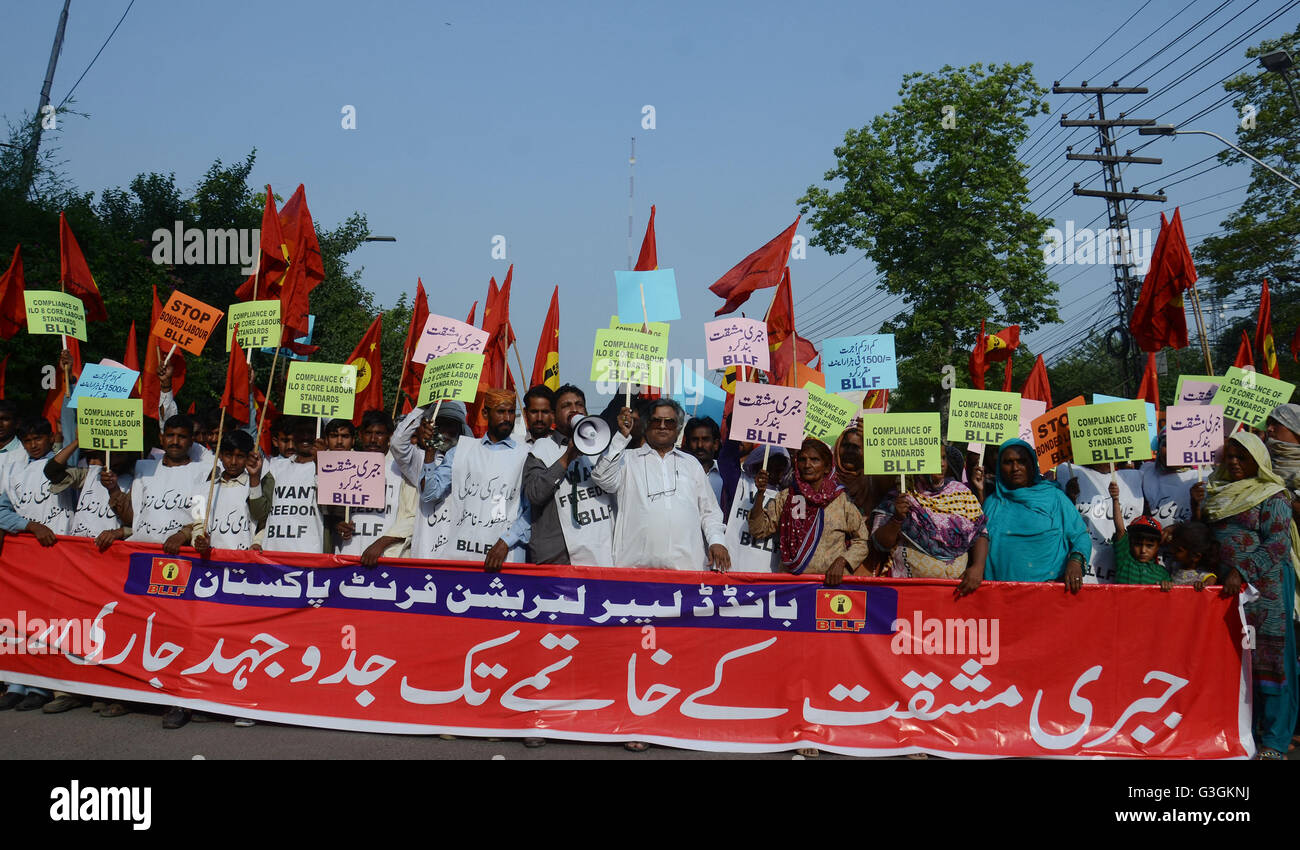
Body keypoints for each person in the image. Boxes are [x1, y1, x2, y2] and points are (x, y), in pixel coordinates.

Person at [1194, 431, 1298, 759]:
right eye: (1230, 457)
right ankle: (1243, 732)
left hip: (1265, 590)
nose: (1235, 463)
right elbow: (1206, 538)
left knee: (1270, 659)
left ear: (1259, 461)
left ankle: (1275, 740)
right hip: (1225, 590)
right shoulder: (1215, 491)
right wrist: (1195, 510)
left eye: (1243, 457)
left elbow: (1278, 542)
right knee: (1236, 661)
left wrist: (1244, 571)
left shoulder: (1273, 494)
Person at [591, 398, 729, 571]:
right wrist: (622, 436)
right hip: (636, 571)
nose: (662, 426)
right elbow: (602, 478)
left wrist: (717, 541)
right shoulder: (627, 459)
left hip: (687, 570)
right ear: (646, 425)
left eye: (669, 422)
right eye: (657, 421)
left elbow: (709, 512)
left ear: (678, 428)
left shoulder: (691, 463)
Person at [422, 388, 531, 570]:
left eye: (511, 412)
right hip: (462, 557)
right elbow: (429, 494)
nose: (507, 418)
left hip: (506, 558)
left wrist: (506, 541)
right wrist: (429, 453)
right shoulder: (462, 451)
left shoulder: (526, 454)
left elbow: (532, 511)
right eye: (501, 411)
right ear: (485, 413)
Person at [748, 437, 867, 584]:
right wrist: (760, 494)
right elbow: (758, 529)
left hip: (830, 586)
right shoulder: (787, 497)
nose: (807, 465)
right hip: (791, 586)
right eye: (803, 459)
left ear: (827, 467)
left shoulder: (841, 500)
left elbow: (861, 540)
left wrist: (843, 561)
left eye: (814, 460)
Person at [870, 446, 988, 592]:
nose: (942, 463)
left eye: (944, 457)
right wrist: (897, 519)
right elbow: (879, 543)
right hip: (909, 592)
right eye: (934, 458)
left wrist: (978, 567)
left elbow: (981, 531)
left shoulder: (962, 493)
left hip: (955, 594)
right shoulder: (902, 495)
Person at [981, 439, 1091, 591]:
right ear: (999, 467)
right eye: (1008, 462)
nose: (1015, 468)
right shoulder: (992, 503)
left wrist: (1076, 562)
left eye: (1022, 461)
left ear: (1032, 465)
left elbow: (1080, 536)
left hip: (1049, 594)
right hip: (1001, 596)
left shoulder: (1055, 497)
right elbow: (979, 541)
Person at [524, 384, 616, 566]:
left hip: (603, 555)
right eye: (566, 406)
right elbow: (534, 494)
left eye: (579, 404)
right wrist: (566, 458)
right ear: (553, 415)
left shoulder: (601, 444)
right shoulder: (541, 449)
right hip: (560, 557)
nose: (574, 409)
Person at [391, 400, 474, 559]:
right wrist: (422, 406)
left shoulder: (469, 461)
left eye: (453, 425)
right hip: (425, 552)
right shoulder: (419, 459)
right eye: (442, 424)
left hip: (458, 553)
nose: (448, 431)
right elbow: (397, 444)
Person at [334, 410, 417, 566]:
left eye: (379, 433)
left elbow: (412, 517)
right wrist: (340, 524)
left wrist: (381, 544)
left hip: (388, 556)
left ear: (390, 437)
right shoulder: (347, 465)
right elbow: (335, 510)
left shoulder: (402, 468)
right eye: (368, 433)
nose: (373, 439)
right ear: (360, 435)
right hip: (350, 555)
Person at [1057, 460, 1143, 583]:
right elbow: (1066, 523)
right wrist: (1070, 497)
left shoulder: (1134, 479)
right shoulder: (1070, 476)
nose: (1106, 460)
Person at [192, 430, 272, 552]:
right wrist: (198, 540)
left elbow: (265, 523)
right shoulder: (204, 488)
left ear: (249, 456)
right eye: (228, 455)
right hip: (212, 561)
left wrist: (257, 543)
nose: (233, 462)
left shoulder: (255, 486)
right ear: (220, 455)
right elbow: (197, 524)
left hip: (245, 560)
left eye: (240, 456)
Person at [258, 418, 326, 554]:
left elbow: (328, 508)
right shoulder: (275, 467)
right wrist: (254, 478)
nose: (306, 437)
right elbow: (260, 513)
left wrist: (322, 465)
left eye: (311, 432)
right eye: (301, 432)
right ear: (294, 435)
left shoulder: (330, 468)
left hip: (309, 555)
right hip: (272, 552)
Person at [722, 445, 788, 573]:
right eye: (772, 463)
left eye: (781, 465)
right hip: (732, 568)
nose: (777, 469)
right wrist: (733, 426)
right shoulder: (741, 483)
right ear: (759, 463)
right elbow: (727, 458)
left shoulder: (787, 495)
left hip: (768, 574)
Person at [1108, 480, 1169, 589]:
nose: (1143, 550)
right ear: (1130, 543)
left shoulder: (1162, 573)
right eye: (1137, 544)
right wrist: (1115, 499)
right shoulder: (1125, 560)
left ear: (1158, 547)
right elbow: (1120, 530)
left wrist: (1168, 586)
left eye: (1149, 546)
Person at [684, 416, 723, 507]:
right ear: (687, 444)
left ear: (716, 444)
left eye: (705, 439)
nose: (700, 445)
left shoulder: (725, 475)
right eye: (694, 440)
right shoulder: (677, 473)